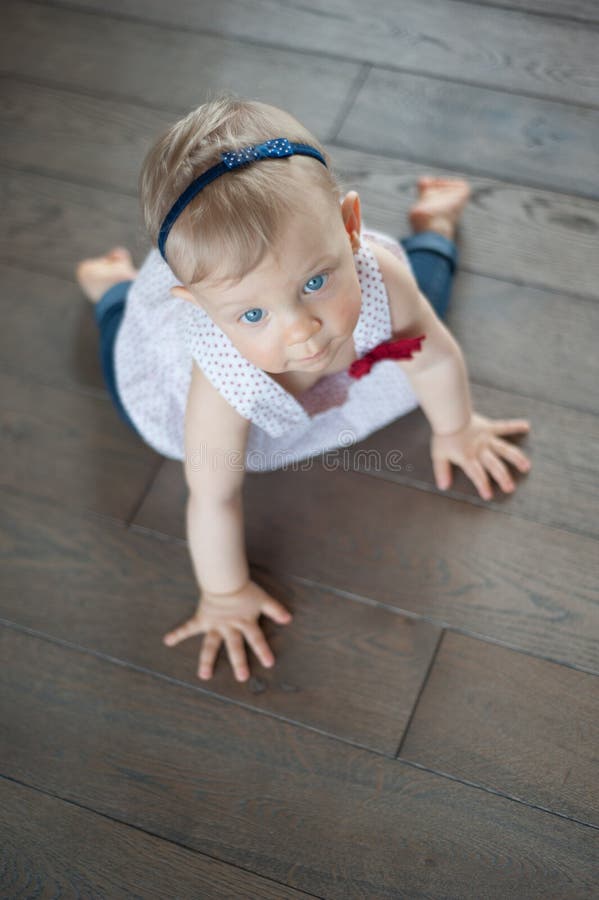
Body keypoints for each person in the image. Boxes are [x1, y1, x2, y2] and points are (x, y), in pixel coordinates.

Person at [75, 94, 531, 684]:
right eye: (254, 315)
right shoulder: (215, 379)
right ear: (204, 310)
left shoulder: (373, 275)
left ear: (349, 228)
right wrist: (224, 591)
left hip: (358, 356)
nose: (300, 330)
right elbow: (213, 497)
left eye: (315, 280)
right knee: (124, 383)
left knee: (425, 304)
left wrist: (458, 427)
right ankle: (112, 290)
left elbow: (436, 356)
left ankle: (434, 226)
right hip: (223, 399)